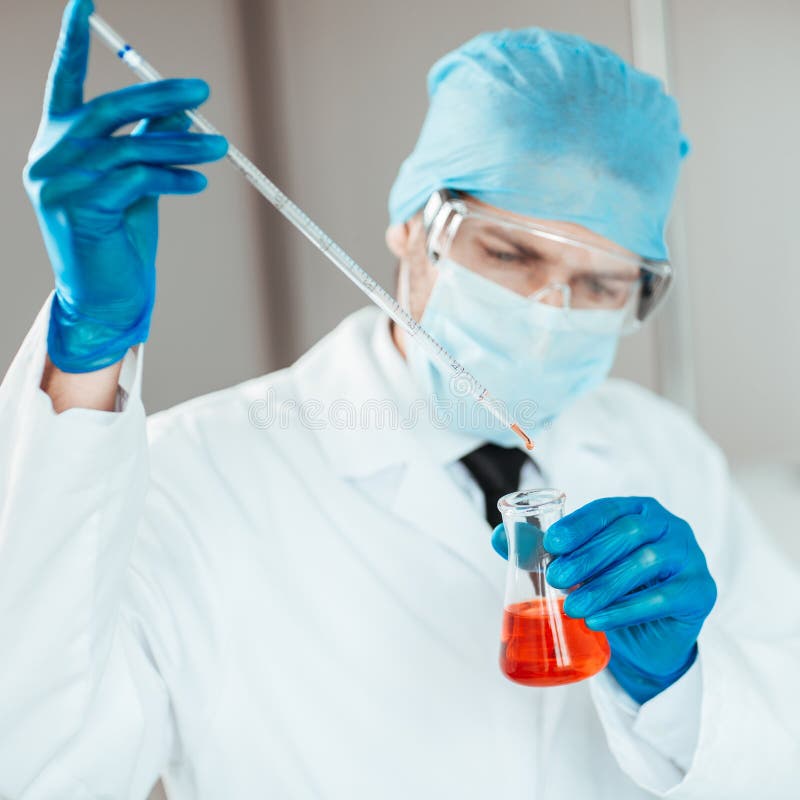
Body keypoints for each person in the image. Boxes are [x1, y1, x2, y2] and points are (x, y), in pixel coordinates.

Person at [0, 0, 797, 797]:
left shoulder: (664, 449)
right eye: (510, 252)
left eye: (600, 284)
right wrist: (87, 347)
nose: (548, 317)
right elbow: (41, 766)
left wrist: (683, 688)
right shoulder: (198, 472)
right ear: (413, 229)